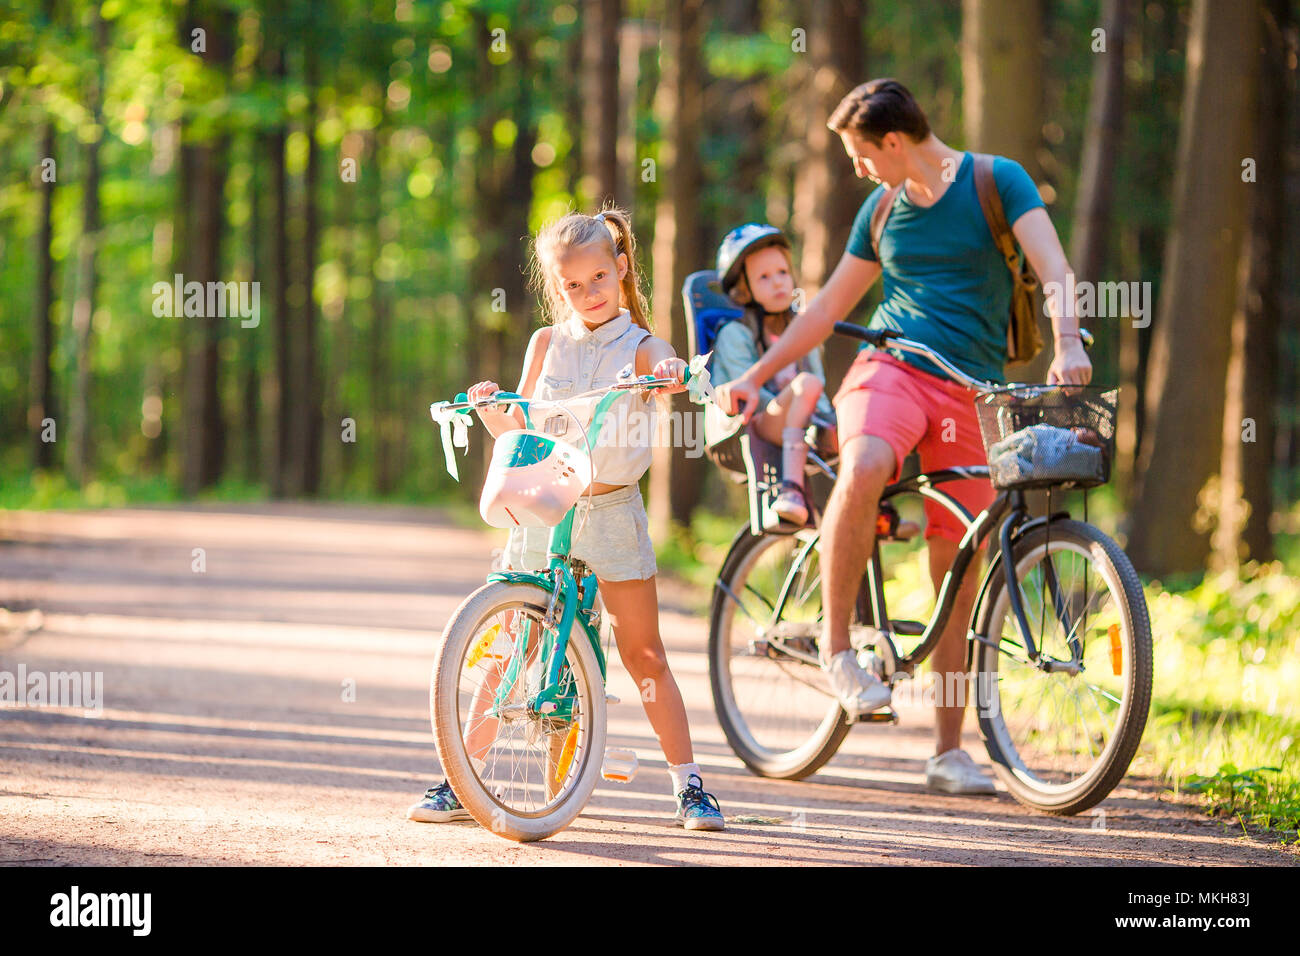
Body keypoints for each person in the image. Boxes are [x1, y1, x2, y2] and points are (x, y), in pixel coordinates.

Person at [714, 78, 1092, 795]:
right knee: (864, 466)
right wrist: (760, 371)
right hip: (892, 370)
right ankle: (838, 655)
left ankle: (948, 751)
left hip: (973, 391)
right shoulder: (881, 210)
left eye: (861, 155)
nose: (857, 169)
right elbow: (827, 307)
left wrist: (1069, 343)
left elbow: (1055, 268)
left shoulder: (994, 181)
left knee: (960, 560)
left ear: (893, 142)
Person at [409, 206, 725, 830]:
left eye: (599, 279)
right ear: (558, 286)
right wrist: (492, 410)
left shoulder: (642, 347)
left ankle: (690, 786)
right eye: (573, 285)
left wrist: (669, 376)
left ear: (622, 268)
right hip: (545, 501)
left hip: (609, 509)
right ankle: (462, 777)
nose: (588, 294)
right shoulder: (546, 343)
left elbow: (672, 373)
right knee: (511, 639)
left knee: (644, 654)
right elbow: (522, 425)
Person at [706, 223, 836, 528]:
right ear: (743, 289)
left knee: (862, 418)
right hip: (758, 420)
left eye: (782, 273)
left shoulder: (803, 331)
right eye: (764, 277)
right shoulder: (736, 335)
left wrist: (831, 419)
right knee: (806, 384)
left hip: (803, 421)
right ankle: (790, 488)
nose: (778, 283)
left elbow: (822, 394)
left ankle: (877, 510)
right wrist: (796, 403)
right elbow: (748, 395)